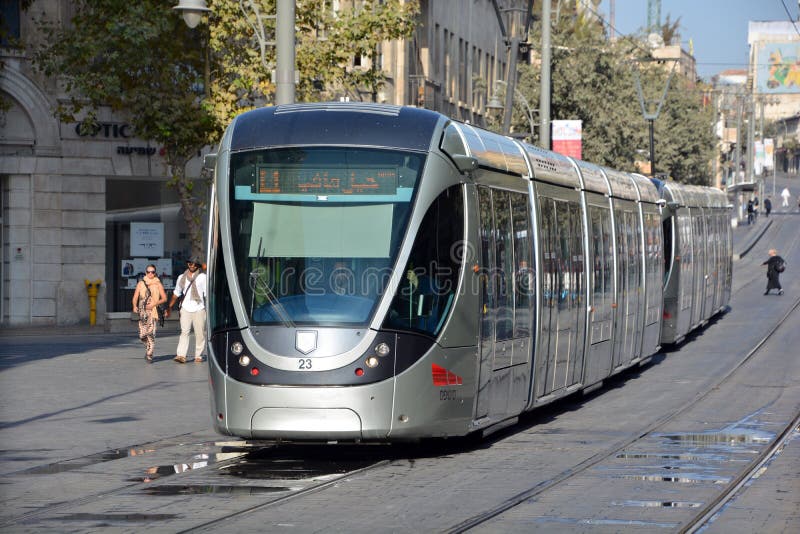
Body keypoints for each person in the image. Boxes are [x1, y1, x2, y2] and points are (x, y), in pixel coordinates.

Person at [165, 256, 207, 363]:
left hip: (199, 308)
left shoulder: (203, 277)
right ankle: (181, 355)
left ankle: (198, 355)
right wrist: (169, 307)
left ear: (197, 265)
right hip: (185, 308)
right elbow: (176, 293)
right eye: (189, 263)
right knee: (184, 332)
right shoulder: (181, 277)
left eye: (193, 263)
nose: (191, 265)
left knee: (200, 333)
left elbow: (207, 294)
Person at [132, 264, 167, 362]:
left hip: (153, 311)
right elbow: (135, 297)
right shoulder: (141, 283)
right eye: (148, 272)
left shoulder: (158, 284)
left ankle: (149, 354)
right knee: (142, 335)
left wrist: (154, 304)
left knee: (150, 333)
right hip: (142, 312)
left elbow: (164, 298)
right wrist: (134, 306)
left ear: (155, 273)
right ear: (145, 272)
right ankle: (148, 347)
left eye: (153, 272)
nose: (150, 274)